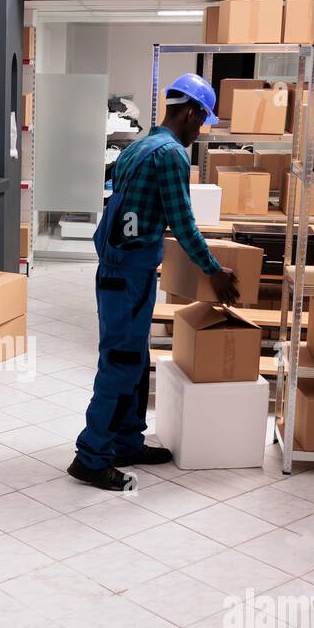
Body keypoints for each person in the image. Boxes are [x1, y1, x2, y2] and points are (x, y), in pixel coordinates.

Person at [68, 73, 240, 491]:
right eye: (202, 120)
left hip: (126, 270)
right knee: (121, 363)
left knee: (135, 360)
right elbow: (182, 223)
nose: (200, 130)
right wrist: (214, 271)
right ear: (192, 111)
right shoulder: (170, 155)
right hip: (127, 274)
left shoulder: (139, 146)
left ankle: (126, 440)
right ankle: (91, 457)